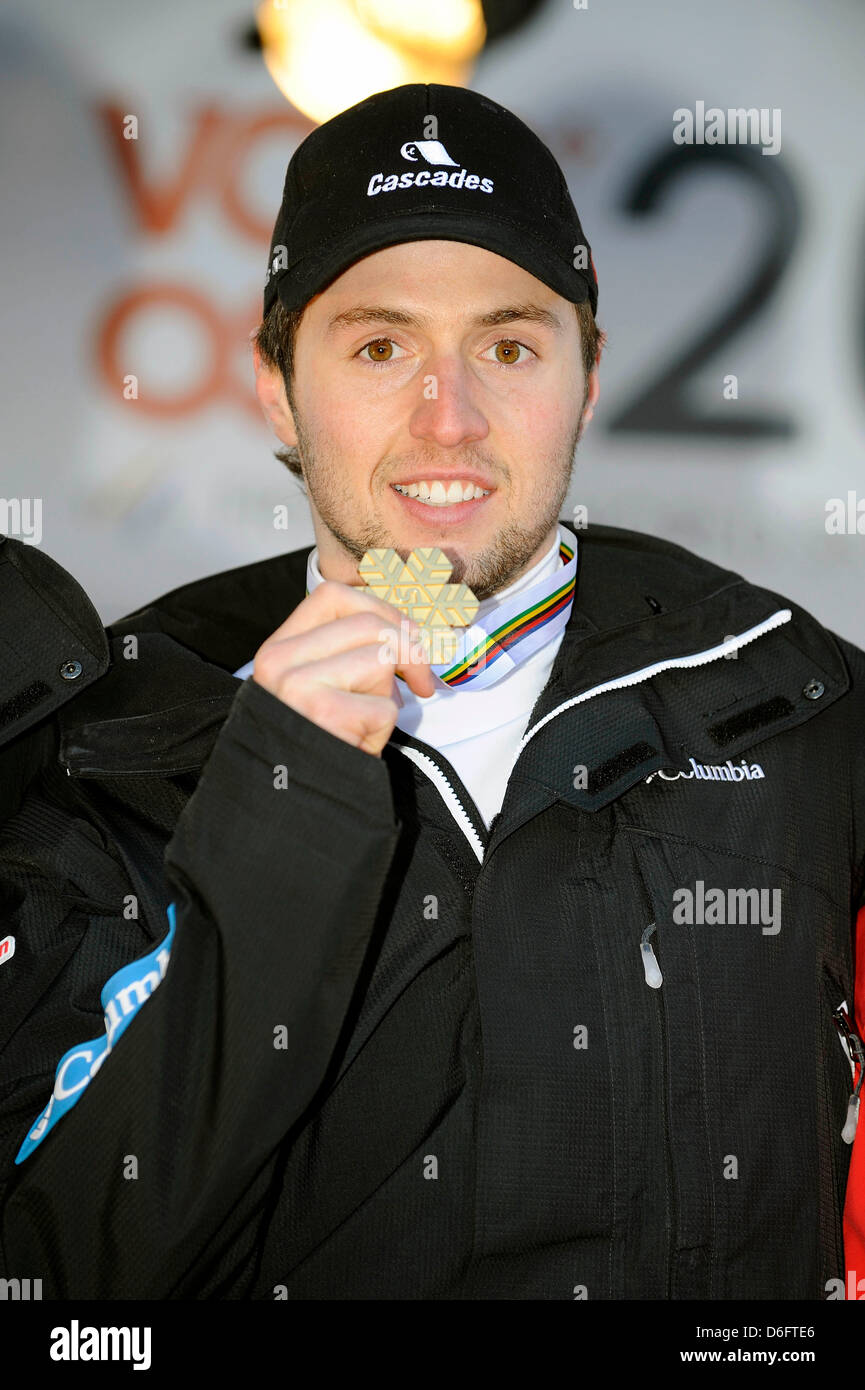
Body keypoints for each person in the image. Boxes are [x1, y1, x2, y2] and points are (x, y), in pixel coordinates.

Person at [0, 82, 863, 1302]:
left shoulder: (804, 704)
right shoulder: (107, 760)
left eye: (507, 346)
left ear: (590, 374)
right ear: (272, 383)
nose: (445, 418)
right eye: (378, 345)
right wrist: (276, 808)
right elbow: (56, 1284)